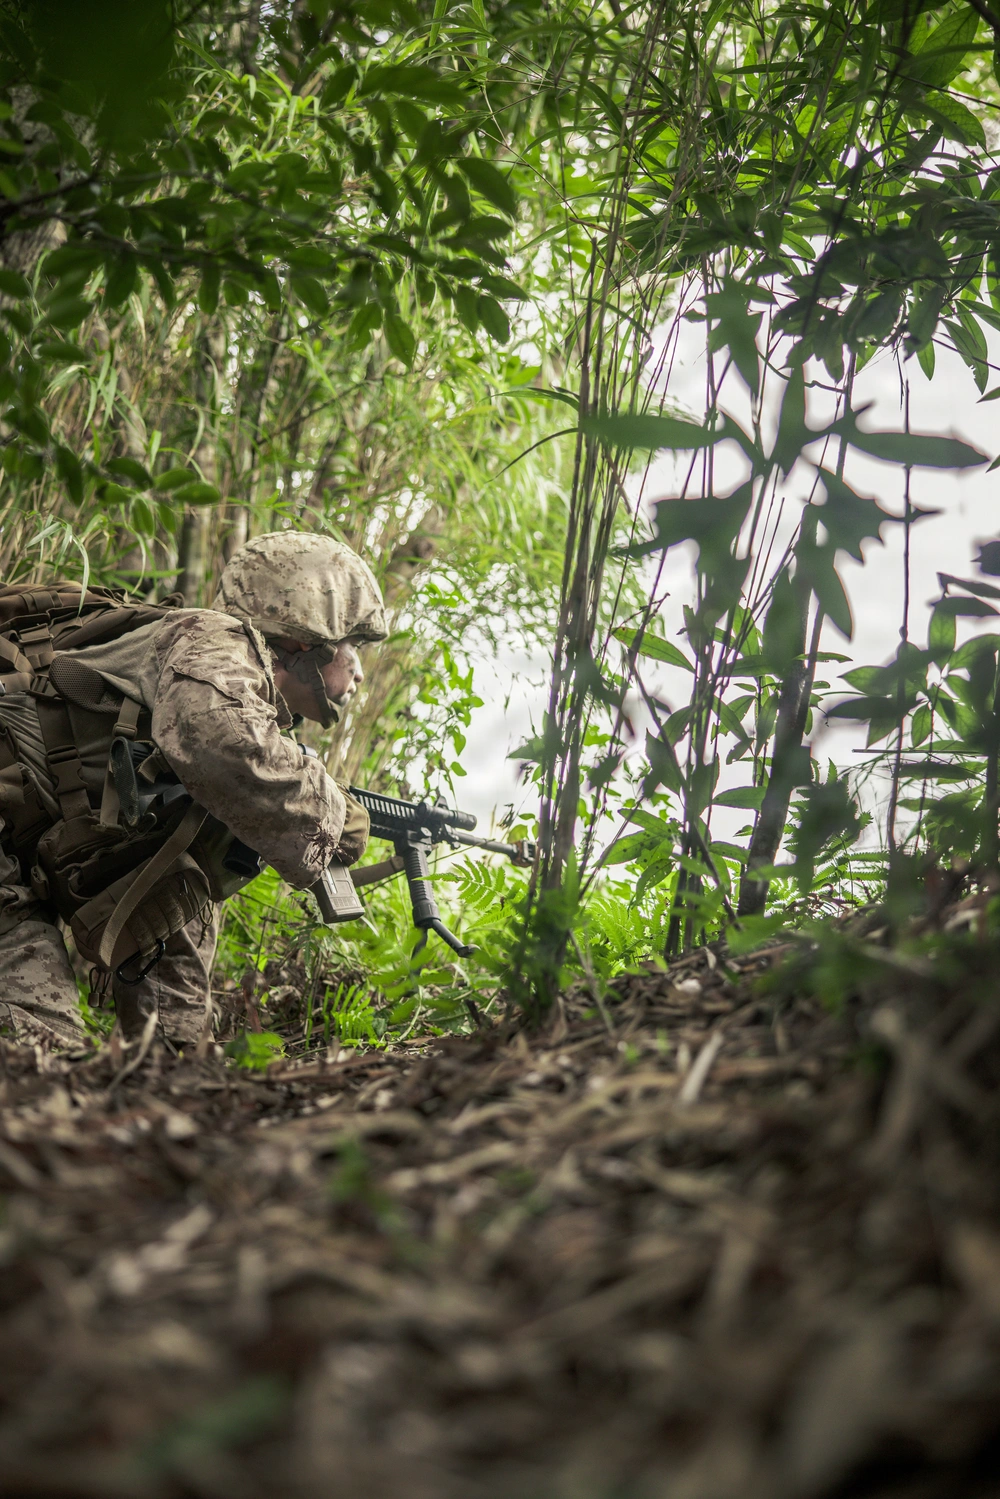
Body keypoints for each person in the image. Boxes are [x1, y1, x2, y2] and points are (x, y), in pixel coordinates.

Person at [0, 530, 386, 1049]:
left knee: (47, 1054)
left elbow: (171, 927)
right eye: (352, 644)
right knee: (35, 1051)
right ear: (304, 634)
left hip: (17, 853)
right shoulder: (213, 641)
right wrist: (332, 814)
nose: (359, 670)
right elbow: (223, 744)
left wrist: (176, 1060)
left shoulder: (238, 723)